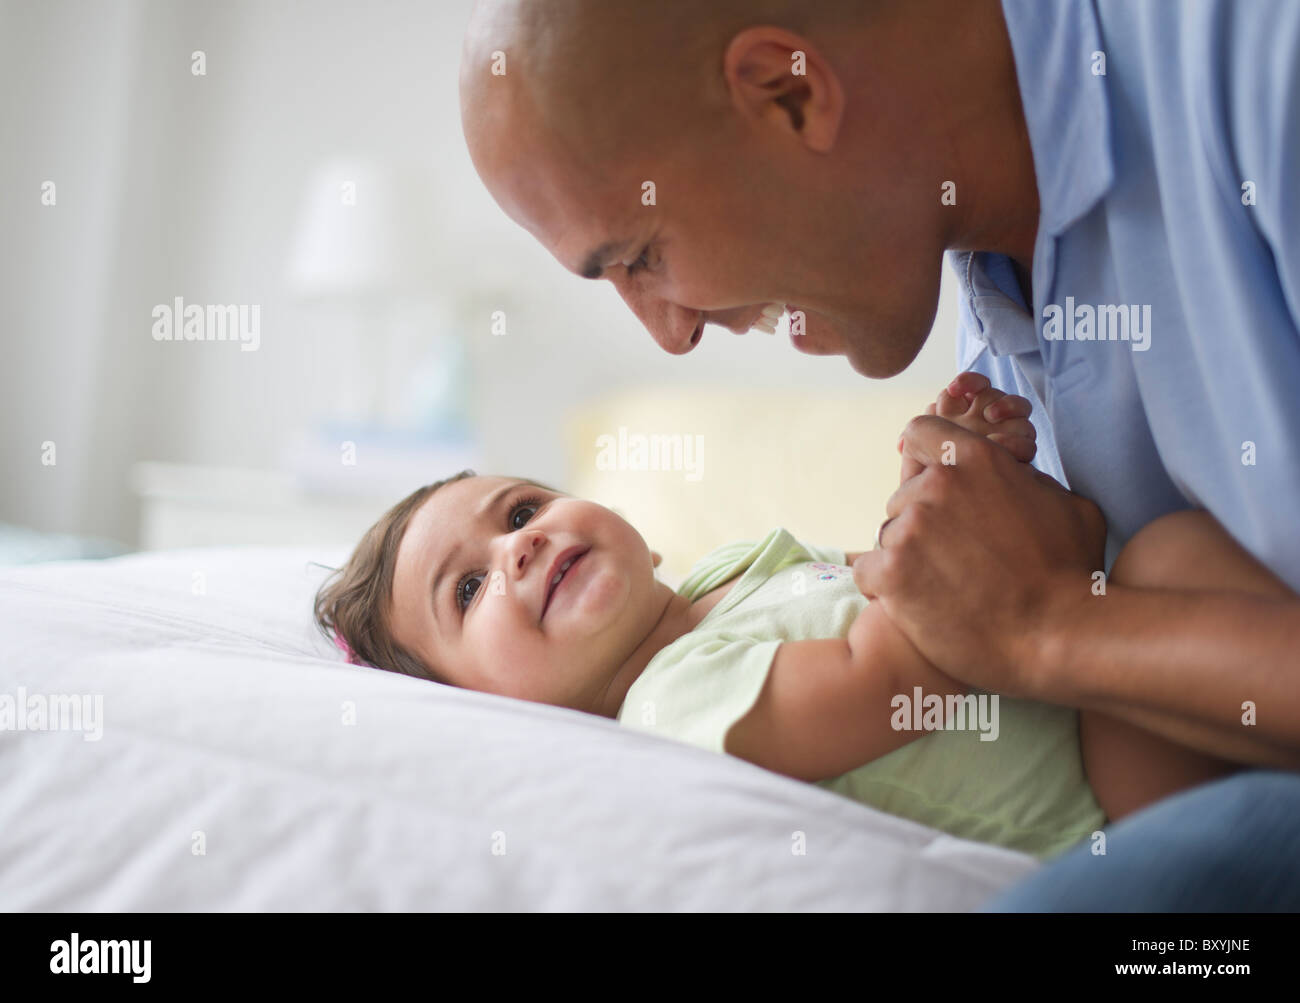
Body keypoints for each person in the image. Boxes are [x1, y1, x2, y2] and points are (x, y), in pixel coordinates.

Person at [458, 0, 1300, 908]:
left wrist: (1045, 625)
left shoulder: (1261, 69)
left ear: (788, 92)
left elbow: (983, 629)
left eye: (644, 255)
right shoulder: (994, 322)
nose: (670, 334)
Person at [313, 374, 1266, 861]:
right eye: (468, 591)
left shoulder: (728, 574)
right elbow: (895, 679)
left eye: (521, 510)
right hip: (1100, 814)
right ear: (488, 707)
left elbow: (898, 577)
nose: (515, 547)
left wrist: (973, 482)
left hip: (1097, 693)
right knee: (1162, 560)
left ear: (642, 545)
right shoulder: (673, 709)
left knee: (1167, 551)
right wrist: (949, 501)